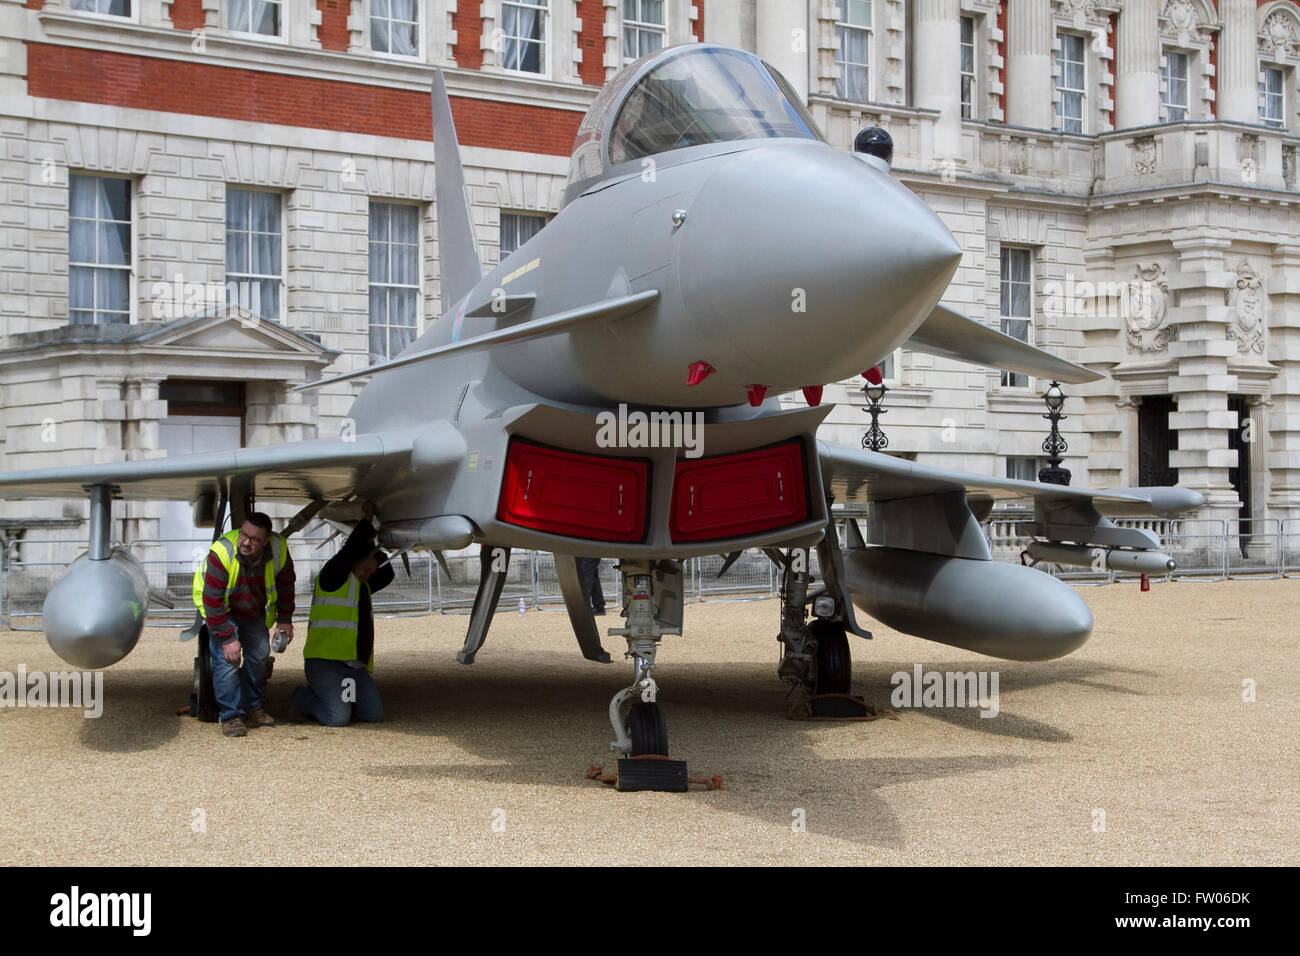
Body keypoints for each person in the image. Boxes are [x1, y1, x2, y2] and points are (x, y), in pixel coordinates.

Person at [192, 511, 296, 737]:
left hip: (253, 611)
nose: (246, 543)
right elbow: (212, 600)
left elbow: (286, 584)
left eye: (254, 539)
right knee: (227, 660)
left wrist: (285, 620)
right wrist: (228, 638)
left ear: (266, 540)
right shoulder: (222, 552)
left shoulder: (278, 550)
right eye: (243, 535)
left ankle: (252, 707)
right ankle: (230, 716)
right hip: (221, 610)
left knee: (260, 657)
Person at [290, 520, 395, 727]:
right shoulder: (332, 578)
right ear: (353, 562)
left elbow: (387, 573)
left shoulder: (362, 585)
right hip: (325, 663)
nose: (369, 576)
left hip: (352, 667)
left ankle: (340, 698)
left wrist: (376, 548)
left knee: (371, 714)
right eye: (366, 570)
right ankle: (302, 698)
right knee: (337, 718)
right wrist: (368, 519)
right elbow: (350, 549)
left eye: (371, 572)